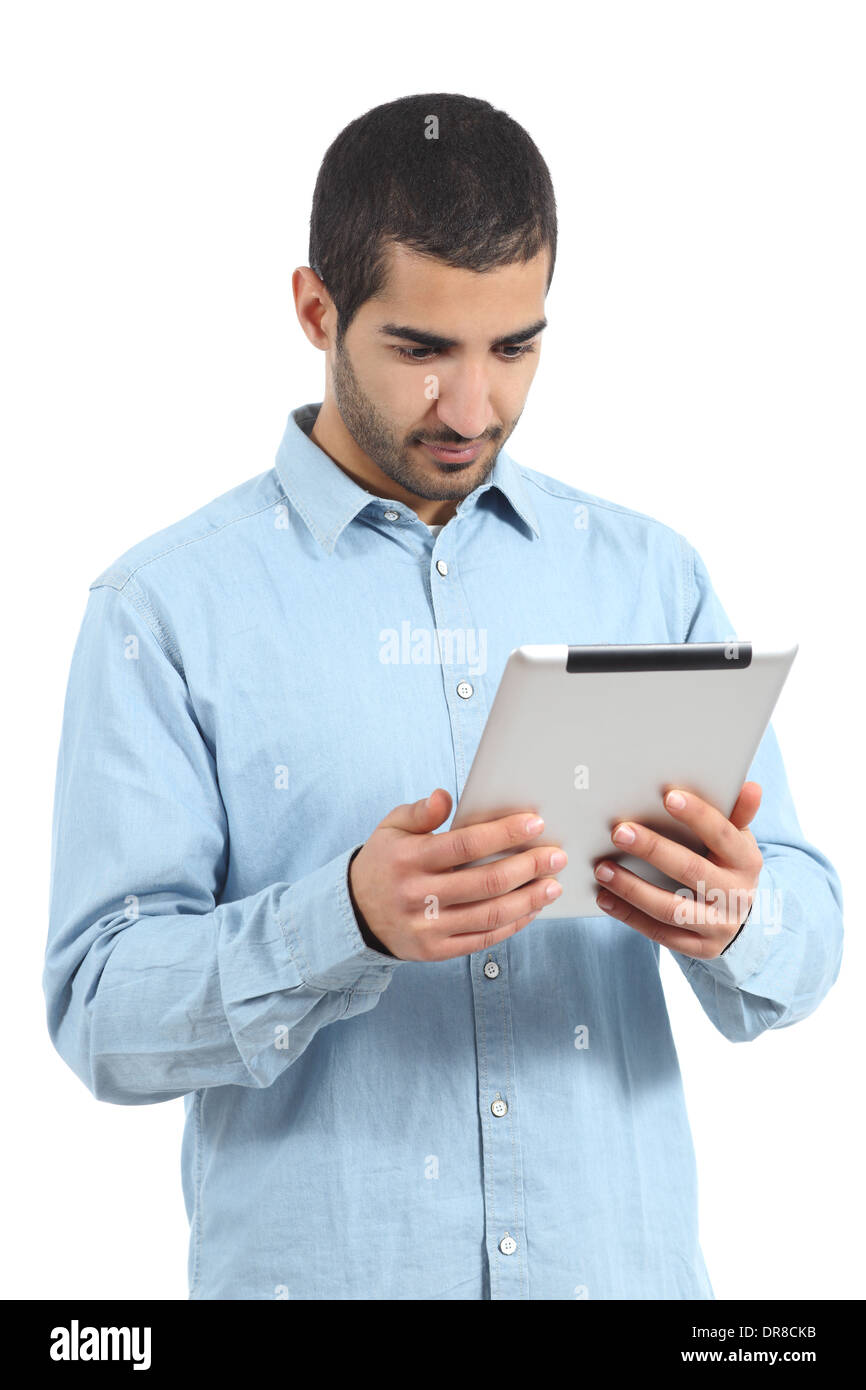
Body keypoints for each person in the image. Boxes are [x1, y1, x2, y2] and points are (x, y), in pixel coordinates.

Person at [44, 92, 843, 1301]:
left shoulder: (645, 576)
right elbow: (99, 1013)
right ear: (316, 309)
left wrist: (734, 913)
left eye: (512, 347)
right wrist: (344, 921)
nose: (472, 410)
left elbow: (812, 930)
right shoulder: (162, 611)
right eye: (420, 351)